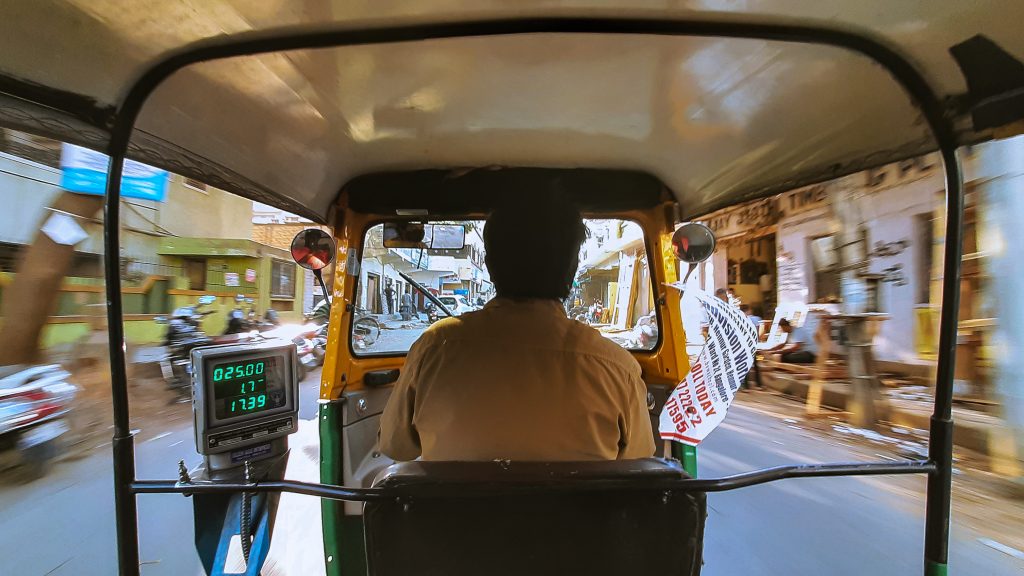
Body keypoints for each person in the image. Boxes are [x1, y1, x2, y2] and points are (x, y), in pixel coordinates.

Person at [379, 197, 655, 461]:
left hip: (454, 512)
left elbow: (395, 447)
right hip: (575, 512)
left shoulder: (433, 349)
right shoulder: (617, 368)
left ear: (488, 266)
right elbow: (638, 461)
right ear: (572, 270)